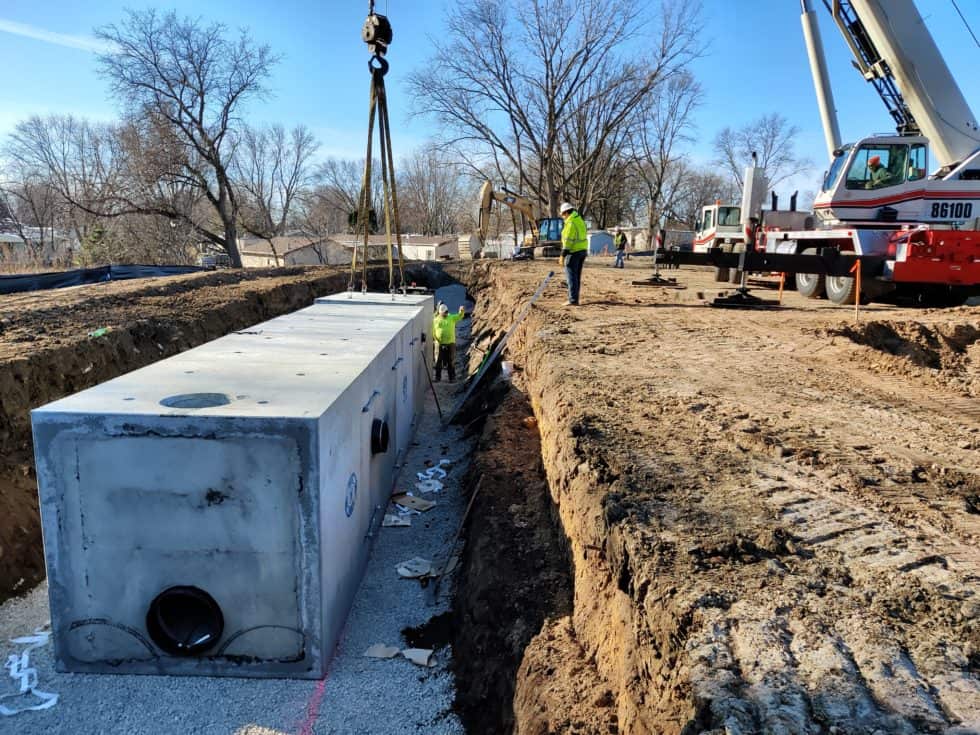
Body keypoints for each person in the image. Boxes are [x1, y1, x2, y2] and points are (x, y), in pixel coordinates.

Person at [558, 202, 588, 305]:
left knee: (571, 277)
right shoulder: (580, 221)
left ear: (566, 212)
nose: (562, 217)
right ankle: (575, 298)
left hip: (573, 252)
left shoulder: (570, 223)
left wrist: (562, 255)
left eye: (562, 214)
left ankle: (573, 300)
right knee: (576, 277)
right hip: (582, 251)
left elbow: (568, 241)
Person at [432, 302, 465, 382]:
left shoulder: (451, 317)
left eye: (446, 312)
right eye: (444, 313)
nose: (445, 314)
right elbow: (433, 331)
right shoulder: (436, 320)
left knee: (451, 361)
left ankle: (452, 378)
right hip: (439, 344)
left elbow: (460, 316)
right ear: (440, 313)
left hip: (450, 344)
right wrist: (436, 340)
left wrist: (461, 311)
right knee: (438, 361)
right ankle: (437, 377)